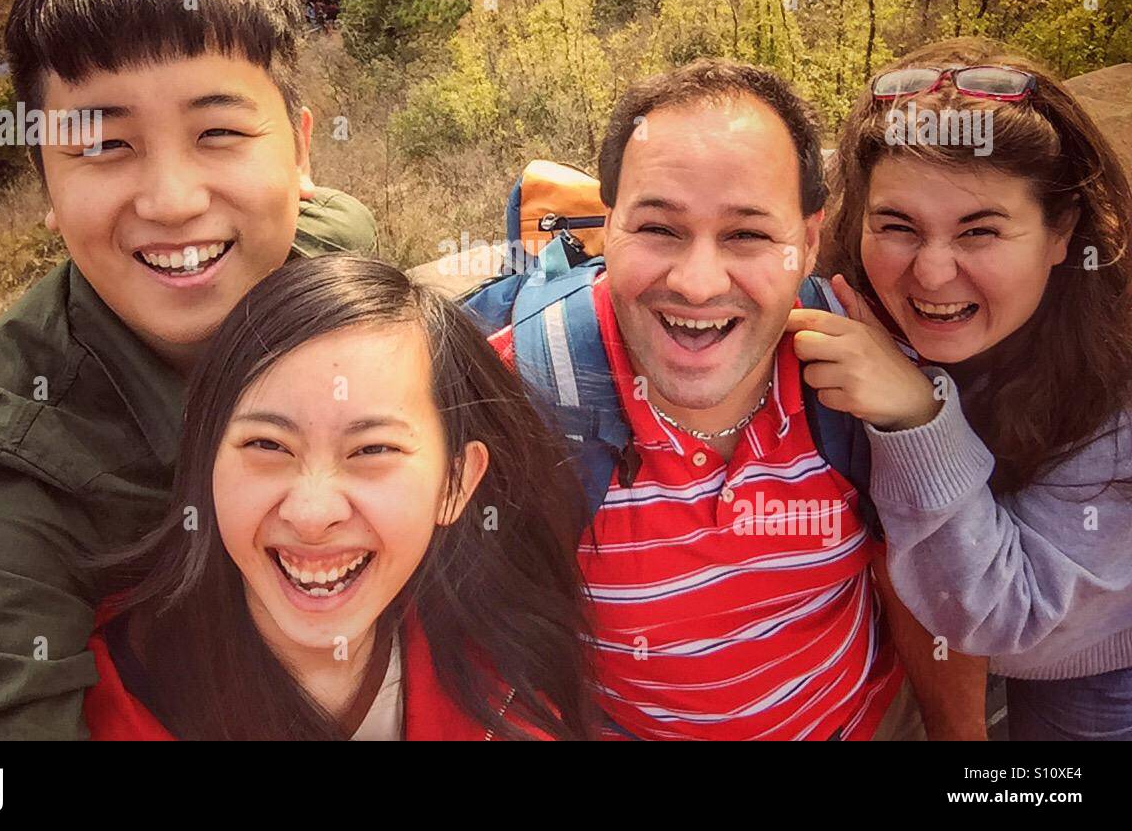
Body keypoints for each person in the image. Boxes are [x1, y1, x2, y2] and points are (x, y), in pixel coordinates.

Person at [0, 0, 378, 740]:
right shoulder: (21, 470)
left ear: (300, 154)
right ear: (47, 184)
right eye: (102, 145)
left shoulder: (328, 250)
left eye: (220, 133)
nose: (172, 201)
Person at [485, 58, 986, 739]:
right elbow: (487, 646)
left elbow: (929, 585)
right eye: (659, 229)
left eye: (748, 235)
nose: (696, 283)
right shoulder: (516, 397)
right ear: (612, 228)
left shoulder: (862, 373)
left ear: (808, 242)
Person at [83, 255, 596, 739]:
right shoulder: (89, 704)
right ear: (206, 460)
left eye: (372, 450)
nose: (312, 514)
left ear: (454, 484)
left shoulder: (505, 665)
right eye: (267, 445)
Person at [811, 37, 1132, 741]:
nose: (930, 274)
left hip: (1091, 655)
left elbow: (1006, 616)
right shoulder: (848, 299)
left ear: (1060, 232)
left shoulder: (1115, 365)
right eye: (897, 226)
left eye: (979, 232)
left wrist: (915, 414)